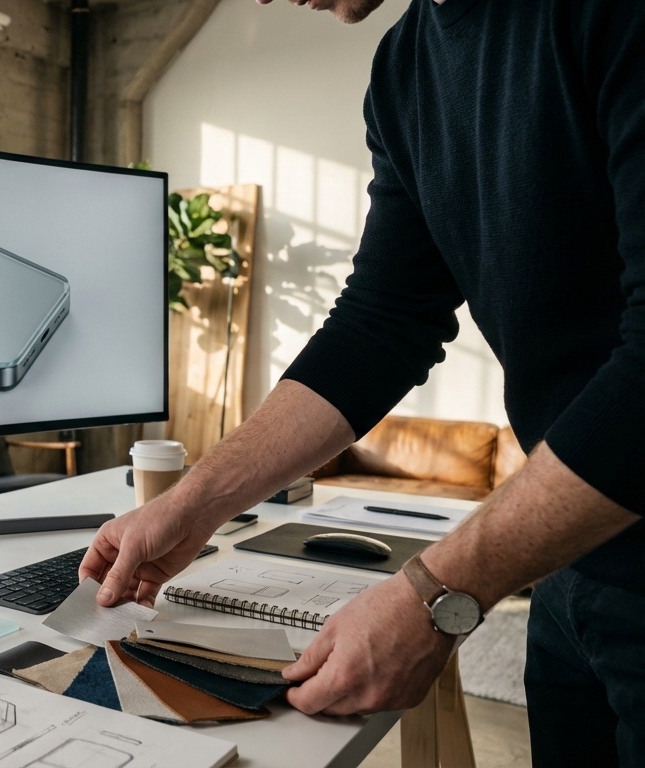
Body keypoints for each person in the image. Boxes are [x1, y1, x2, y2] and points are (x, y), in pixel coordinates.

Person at [79, 0, 645, 764]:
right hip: (568, 557)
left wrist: (435, 595)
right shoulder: (406, 67)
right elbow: (382, 321)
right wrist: (193, 503)